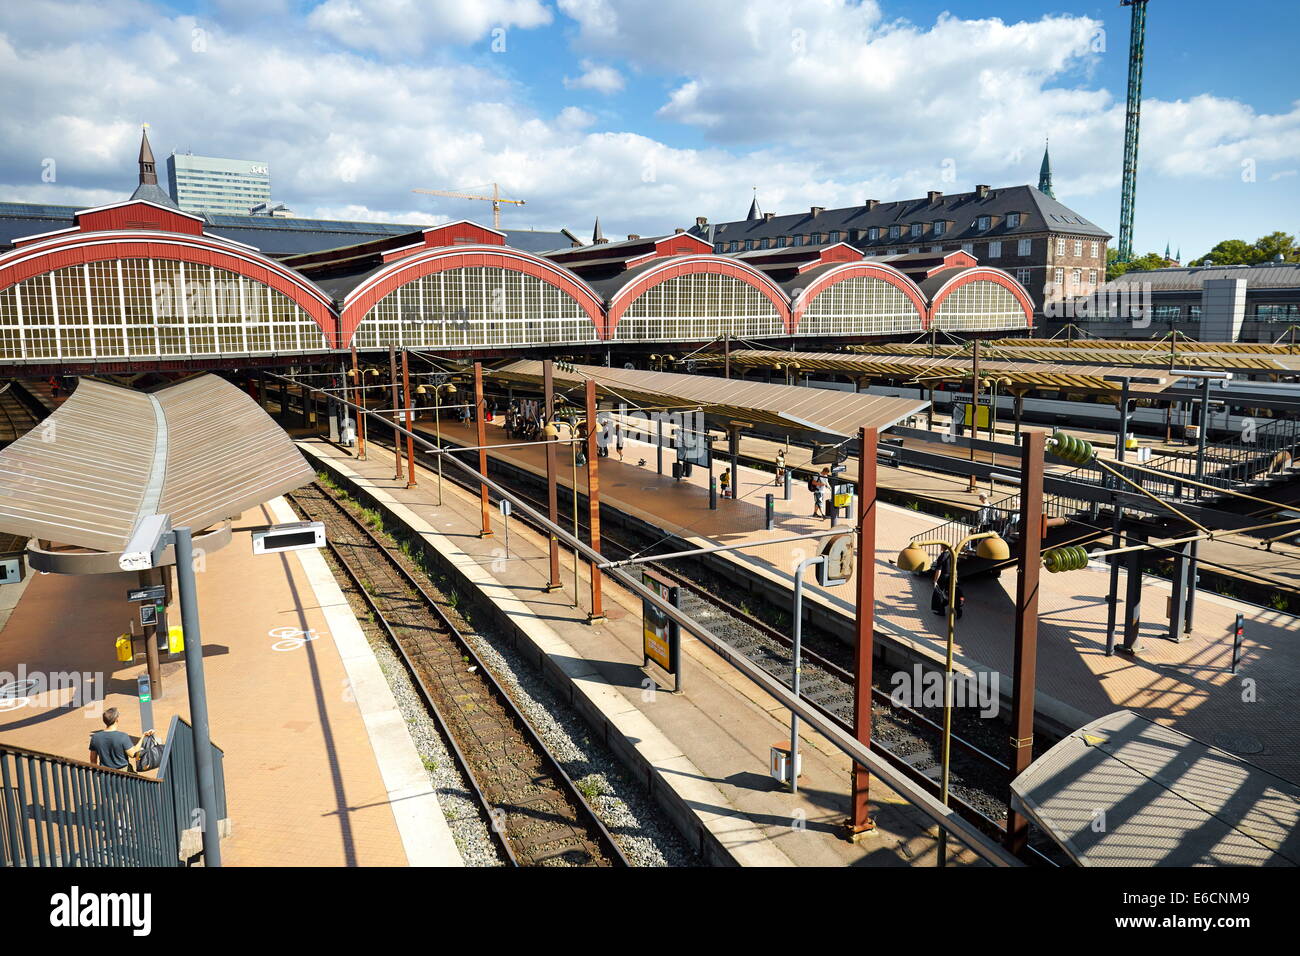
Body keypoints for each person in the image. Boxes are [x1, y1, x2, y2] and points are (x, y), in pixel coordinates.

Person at [89, 707, 154, 772]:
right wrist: (143, 736)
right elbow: (133, 754)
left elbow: (93, 759)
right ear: (117, 720)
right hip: (122, 773)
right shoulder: (122, 736)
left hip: (105, 774)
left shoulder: (95, 737)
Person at [930, 548, 964, 619]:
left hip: (943, 576)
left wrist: (935, 581)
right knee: (952, 593)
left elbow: (939, 570)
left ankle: (941, 610)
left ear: (942, 547)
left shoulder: (942, 556)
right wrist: (955, 577)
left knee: (939, 593)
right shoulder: (952, 554)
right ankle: (958, 610)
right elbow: (955, 567)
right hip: (951, 576)